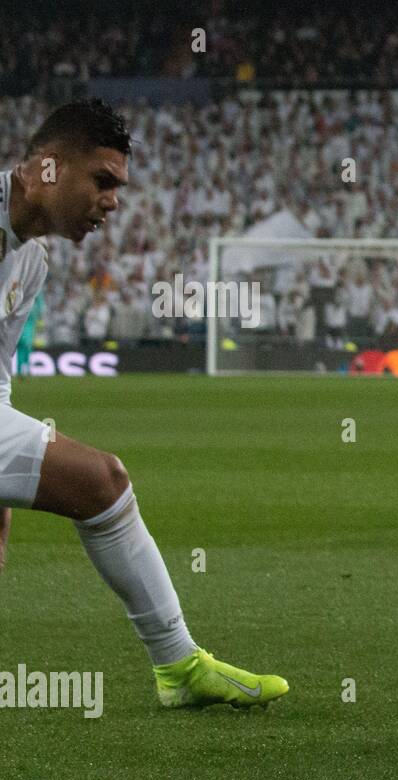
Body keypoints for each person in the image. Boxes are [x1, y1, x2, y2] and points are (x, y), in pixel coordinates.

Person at [0, 99, 288, 709]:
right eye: (102, 181)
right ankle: (178, 666)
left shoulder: (32, 257)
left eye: (119, 187)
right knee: (102, 479)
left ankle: (178, 666)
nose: (112, 202)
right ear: (48, 168)